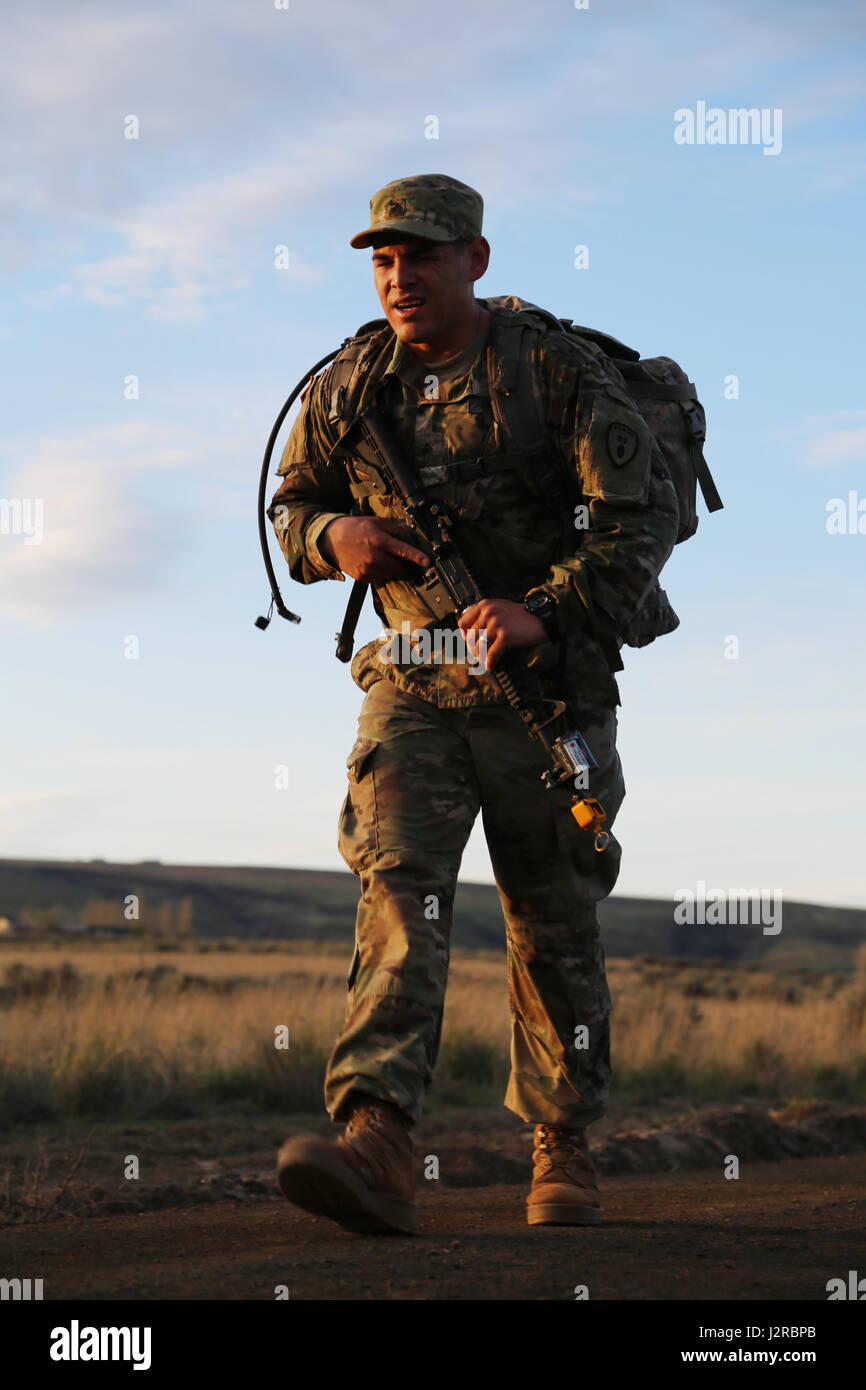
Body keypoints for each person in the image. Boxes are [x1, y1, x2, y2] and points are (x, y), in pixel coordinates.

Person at [268, 173, 679, 1235]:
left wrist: (549, 609)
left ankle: (562, 1147)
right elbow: (291, 506)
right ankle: (378, 1139)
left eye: (421, 256)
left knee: (549, 918)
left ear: (474, 261)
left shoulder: (551, 368)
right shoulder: (352, 383)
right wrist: (333, 541)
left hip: (544, 692)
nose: (398, 277)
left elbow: (644, 518)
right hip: (412, 681)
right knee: (399, 888)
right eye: (381, 259)